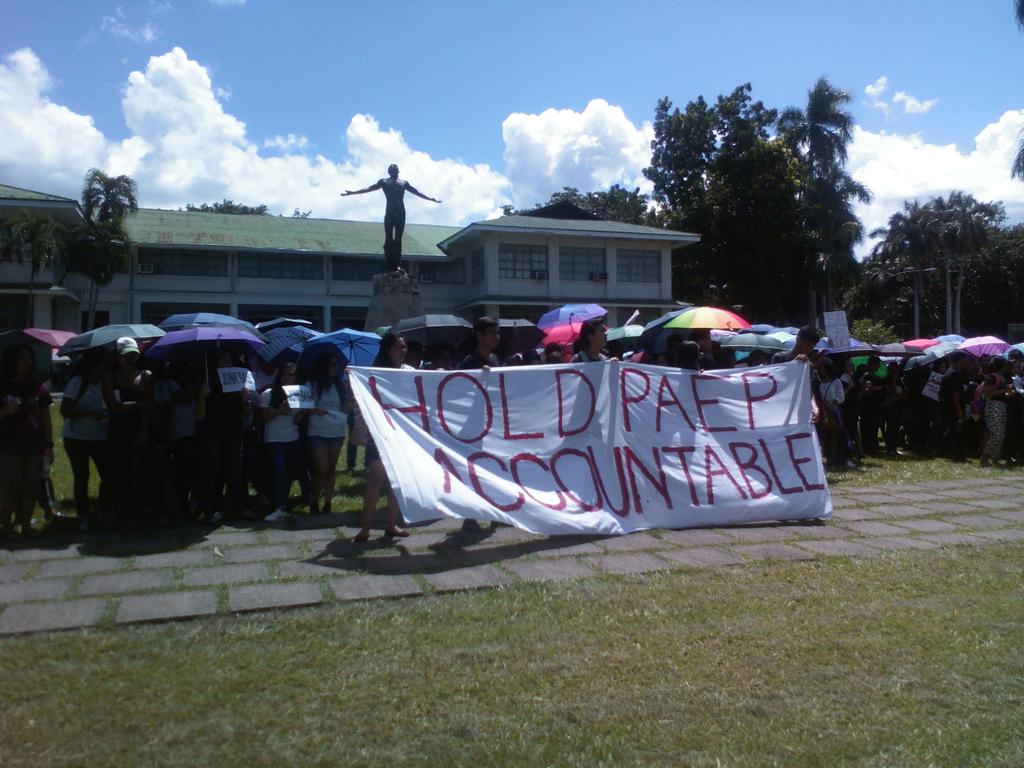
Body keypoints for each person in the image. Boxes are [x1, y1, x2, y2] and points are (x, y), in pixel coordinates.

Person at [356, 333, 410, 542]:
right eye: (399, 347)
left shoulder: (409, 372)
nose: (404, 350)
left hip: (401, 433)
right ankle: (365, 528)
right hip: (380, 432)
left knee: (396, 481)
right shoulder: (375, 373)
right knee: (376, 479)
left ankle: (391, 525)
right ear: (388, 350)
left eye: (404, 347)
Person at [340, 164, 442, 271]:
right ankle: (389, 264)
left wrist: (430, 199)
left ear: (398, 172)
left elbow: (417, 192)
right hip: (390, 212)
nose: (395, 173)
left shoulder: (403, 183)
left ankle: (396, 264)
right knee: (388, 238)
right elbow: (370, 188)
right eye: (393, 171)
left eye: (396, 171)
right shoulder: (384, 181)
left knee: (398, 240)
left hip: (401, 213)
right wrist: (353, 192)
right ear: (389, 172)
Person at [0, 344, 53, 538]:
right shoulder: (3, 386)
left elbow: (46, 418)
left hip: (34, 446)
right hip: (8, 446)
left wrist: (49, 445)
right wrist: (6, 411)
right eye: (22, 357)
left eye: (30, 358)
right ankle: (7, 527)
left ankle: (26, 526)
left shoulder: (38, 388)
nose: (27, 362)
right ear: (12, 361)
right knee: (10, 489)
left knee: (31, 489)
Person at [457, 318, 502, 533]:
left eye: (497, 333)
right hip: (474, 425)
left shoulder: (496, 359)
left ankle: (497, 510)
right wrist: (478, 378)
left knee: (495, 468)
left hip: (494, 424)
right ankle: (470, 515)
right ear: (479, 335)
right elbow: (459, 391)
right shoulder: (469, 363)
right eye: (492, 333)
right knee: (474, 470)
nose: (496, 337)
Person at [197, 349, 251, 524]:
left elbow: (245, 412)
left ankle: (241, 508)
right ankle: (208, 511)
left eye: (230, 361)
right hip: (212, 433)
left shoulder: (236, 383)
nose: (228, 364)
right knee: (211, 473)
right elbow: (200, 416)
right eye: (224, 361)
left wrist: (244, 399)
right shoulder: (209, 382)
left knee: (235, 473)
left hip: (233, 431)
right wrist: (202, 396)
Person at [103, 337, 152, 530]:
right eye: (127, 356)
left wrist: (143, 431)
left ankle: (143, 512)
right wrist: (138, 405)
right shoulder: (110, 378)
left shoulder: (145, 376)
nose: (131, 360)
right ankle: (125, 514)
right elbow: (113, 406)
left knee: (142, 473)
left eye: (134, 355)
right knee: (121, 474)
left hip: (139, 428)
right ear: (118, 358)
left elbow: (148, 407)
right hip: (118, 431)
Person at [60, 349, 112, 531]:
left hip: (100, 436)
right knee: (82, 476)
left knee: (108, 475)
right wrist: (89, 413)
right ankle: (83, 515)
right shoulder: (78, 382)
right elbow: (65, 410)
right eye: (104, 364)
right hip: (76, 438)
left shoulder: (106, 382)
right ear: (94, 365)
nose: (107, 367)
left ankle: (104, 511)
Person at [260, 362, 309, 521]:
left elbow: (296, 421)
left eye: (291, 374)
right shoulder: (268, 394)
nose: (287, 378)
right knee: (280, 470)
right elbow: (264, 418)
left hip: (292, 438)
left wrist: (303, 411)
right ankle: (279, 505)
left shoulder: (299, 394)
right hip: (274, 439)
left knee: (289, 472)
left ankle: (282, 504)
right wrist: (280, 410)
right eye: (284, 374)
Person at [307, 353, 349, 516]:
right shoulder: (311, 385)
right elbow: (305, 406)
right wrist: (316, 409)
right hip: (317, 431)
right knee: (321, 469)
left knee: (331, 469)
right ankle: (314, 500)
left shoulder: (341, 386)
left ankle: (328, 503)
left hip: (336, 431)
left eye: (336, 365)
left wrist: (348, 405)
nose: (335, 368)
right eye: (332, 364)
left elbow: (345, 407)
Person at [937, 351, 970, 461]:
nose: (967, 362)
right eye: (965, 360)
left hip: (950, 406)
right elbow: (955, 393)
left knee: (954, 429)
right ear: (960, 360)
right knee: (956, 427)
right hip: (954, 406)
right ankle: (955, 453)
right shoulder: (954, 374)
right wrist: (958, 409)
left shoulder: (951, 372)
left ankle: (945, 451)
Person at [979, 357, 1011, 466]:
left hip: (1001, 406)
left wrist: (1007, 392)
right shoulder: (991, 377)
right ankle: (984, 457)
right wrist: (1004, 390)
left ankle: (994, 458)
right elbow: (986, 393)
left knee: (1001, 434)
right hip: (993, 406)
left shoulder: (1002, 377)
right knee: (996, 434)